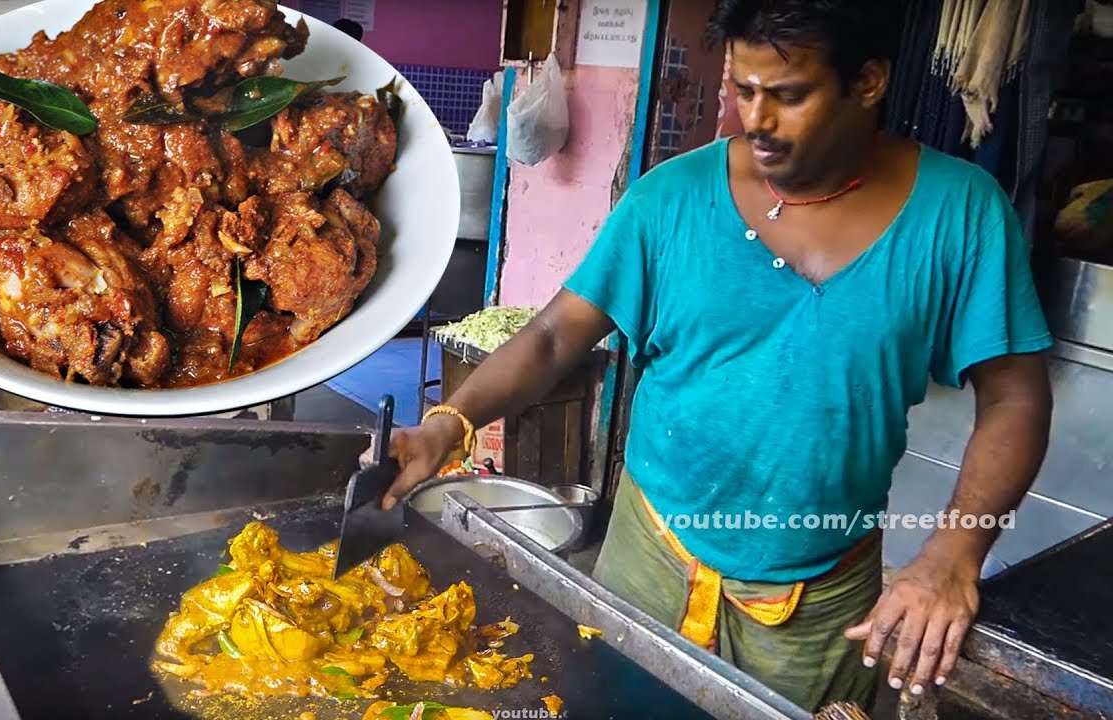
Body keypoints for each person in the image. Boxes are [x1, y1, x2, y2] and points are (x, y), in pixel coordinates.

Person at [375, 0, 1054, 713]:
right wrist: (448, 423)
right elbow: (553, 336)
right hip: (649, 558)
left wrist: (953, 556)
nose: (756, 119)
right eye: (743, 88)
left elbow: (1015, 396)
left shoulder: (959, 213)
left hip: (821, 597)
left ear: (869, 82)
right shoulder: (672, 198)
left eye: (788, 95)